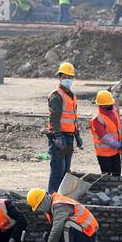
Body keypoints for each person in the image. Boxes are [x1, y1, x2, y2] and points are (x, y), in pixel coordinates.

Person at [27, 187, 98, 242]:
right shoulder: (51, 208)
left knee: (67, 225)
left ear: (45, 199)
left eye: (39, 206)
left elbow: (57, 230)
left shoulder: (59, 205)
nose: (40, 209)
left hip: (88, 236)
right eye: (37, 208)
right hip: (81, 234)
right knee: (47, 235)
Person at [45, 63, 81, 192]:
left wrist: (77, 135)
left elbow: (73, 117)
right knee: (58, 170)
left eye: (70, 77)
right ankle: (53, 197)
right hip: (59, 139)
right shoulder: (57, 96)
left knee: (66, 170)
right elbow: (54, 118)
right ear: (59, 77)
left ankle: (62, 196)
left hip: (68, 137)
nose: (68, 79)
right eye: (65, 76)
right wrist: (57, 136)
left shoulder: (71, 96)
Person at [89, 90, 122, 176]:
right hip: (104, 153)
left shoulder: (114, 112)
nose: (109, 105)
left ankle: (117, 188)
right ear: (101, 105)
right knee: (107, 176)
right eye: (107, 104)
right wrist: (118, 145)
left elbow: (121, 124)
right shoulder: (97, 119)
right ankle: (107, 189)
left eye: (110, 103)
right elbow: (104, 137)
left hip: (115, 151)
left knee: (117, 174)